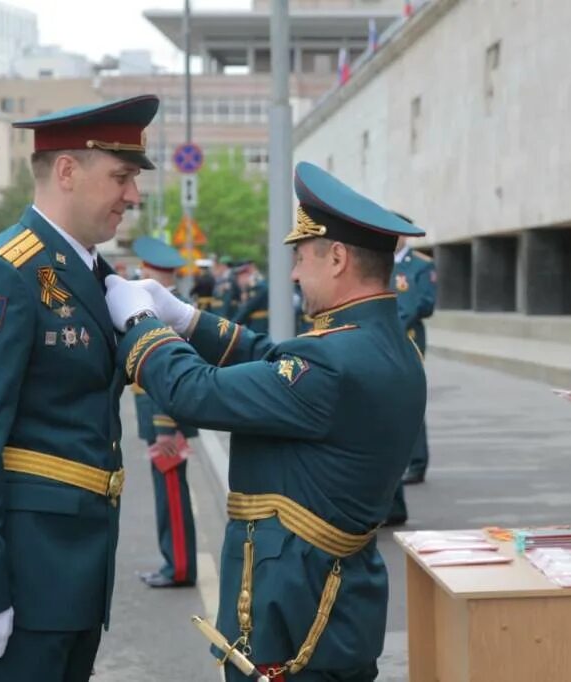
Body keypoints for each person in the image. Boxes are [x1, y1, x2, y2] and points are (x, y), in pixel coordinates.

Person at [104, 161, 427, 682]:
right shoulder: (382, 345)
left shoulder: (335, 361)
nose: (295, 274)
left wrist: (141, 325)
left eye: (301, 258)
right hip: (333, 600)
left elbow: (197, 393)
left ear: (338, 258)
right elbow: (272, 358)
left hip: (293, 613)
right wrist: (186, 319)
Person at [0, 95, 158, 681]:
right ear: (66, 171)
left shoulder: (90, 273)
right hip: (19, 584)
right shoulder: (2, 272)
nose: (133, 195)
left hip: (72, 576)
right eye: (122, 177)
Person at [130, 236, 198, 589]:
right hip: (159, 416)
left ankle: (179, 567)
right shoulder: (172, 306)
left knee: (171, 493)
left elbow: (166, 373)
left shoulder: (166, 312)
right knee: (167, 491)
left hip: (165, 419)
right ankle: (172, 562)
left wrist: (164, 425)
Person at [384, 224, 438, 526]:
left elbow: (424, 304)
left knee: (408, 400)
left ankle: (417, 463)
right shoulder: (380, 261)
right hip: (382, 338)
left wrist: (392, 325)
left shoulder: (420, 264)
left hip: (408, 339)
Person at [232, 260, 269, 334]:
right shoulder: (250, 288)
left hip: (260, 328)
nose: (238, 280)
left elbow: (247, 309)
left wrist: (231, 326)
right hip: (254, 327)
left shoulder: (258, 287)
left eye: (240, 276)